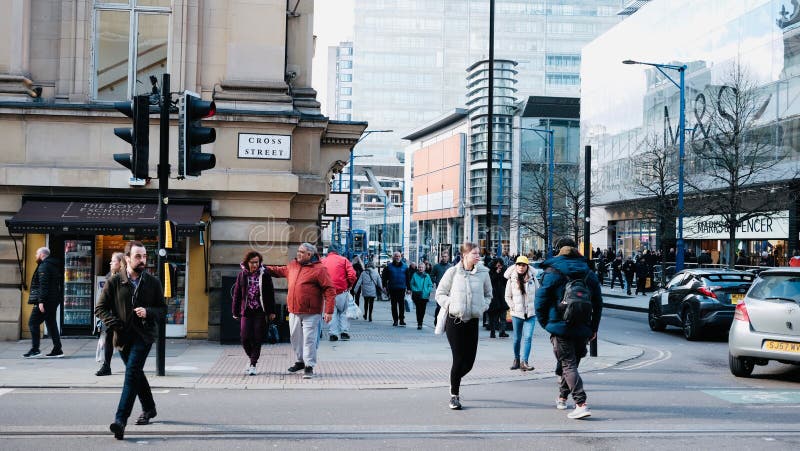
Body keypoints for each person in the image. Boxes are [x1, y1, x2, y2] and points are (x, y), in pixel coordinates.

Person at [95, 240, 166, 440]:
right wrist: (115, 323)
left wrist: (148, 312)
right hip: (123, 337)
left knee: (131, 373)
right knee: (136, 374)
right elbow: (99, 308)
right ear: (127, 259)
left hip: (144, 336)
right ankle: (150, 408)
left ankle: (120, 421)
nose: (143, 260)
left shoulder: (153, 282)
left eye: (144, 256)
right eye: (138, 256)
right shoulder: (115, 281)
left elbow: (162, 310)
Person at [535, 237, 603, 420]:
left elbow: (540, 299)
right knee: (571, 363)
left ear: (558, 250)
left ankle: (581, 404)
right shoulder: (588, 272)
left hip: (560, 325)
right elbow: (598, 302)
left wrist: (545, 323)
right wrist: (594, 327)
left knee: (568, 364)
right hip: (583, 325)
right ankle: (562, 397)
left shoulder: (552, 271)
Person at [435, 242, 491, 410]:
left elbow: (489, 294)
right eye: (474, 253)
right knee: (458, 359)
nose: (477, 256)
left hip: (472, 321)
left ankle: (454, 379)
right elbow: (440, 293)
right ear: (464, 255)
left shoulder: (483, 273)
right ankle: (454, 395)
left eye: (478, 253)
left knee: (469, 362)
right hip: (455, 321)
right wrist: (450, 304)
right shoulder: (452, 272)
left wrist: (483, 305)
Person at [265, 243, 335, 379]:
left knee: (309, 339)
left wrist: (329, 311)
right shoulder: (293, 265)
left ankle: (309, 366)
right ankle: (300, 361)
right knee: (295, 338)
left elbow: (329, 290)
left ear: (309, 254)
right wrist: (264, 269)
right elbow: (279, 270)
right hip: (294, 309)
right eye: (298, 251)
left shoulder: (320, 269)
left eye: (302, 252)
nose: (298, 254)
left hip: (312, 311)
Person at [232, 251, 276, 376]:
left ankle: (253, 364)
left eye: (257, 262)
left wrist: (272, 311)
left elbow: (270, 293)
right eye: (252, 262)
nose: (255, 265)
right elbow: (237, 294)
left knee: (257, 337)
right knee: (245, 337)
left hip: (260, 311)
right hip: (246, 311)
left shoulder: (265, 275)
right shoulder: (242, 275)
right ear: (247, 263)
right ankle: (252, 357)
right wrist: (235, 311)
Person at [24, 247, 63, 358]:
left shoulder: (44, 266)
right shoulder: (53, 265)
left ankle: (35, 349)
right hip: (53, 299)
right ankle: (57, 349)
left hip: (46, 301)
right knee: (51, 323)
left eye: (37, 254)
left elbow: (44, 285)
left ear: (42, 254)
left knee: (33, 322)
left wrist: (41, 301)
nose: (35, 256)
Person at [505, 255, 539, 371]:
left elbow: (538, 294)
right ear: (516, 266)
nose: (521, 267)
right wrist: (513, 306)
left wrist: (536, 306)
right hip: (517, 313)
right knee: (517, 339)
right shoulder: (511, 279)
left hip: (531, 313)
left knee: (528, 337)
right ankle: (516, 359)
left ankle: (525, 362)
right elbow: (507, 296)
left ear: (527, 266)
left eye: (523, 265)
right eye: (519, 264)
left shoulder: (533, 279)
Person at [96, 252, 126, 375]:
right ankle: (106, 365)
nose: (110, 263)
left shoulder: (124, 278)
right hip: (110, 315)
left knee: (123, 341)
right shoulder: (110, 276)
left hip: (121, 315)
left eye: (113, 261)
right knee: (108, 339)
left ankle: (130, 365)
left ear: (120, 263)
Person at [322, 245, 357, 341]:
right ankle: (344, 332)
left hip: (328, 292)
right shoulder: (344, 260)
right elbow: (352, 275)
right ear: (337, 251)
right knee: (343, 312)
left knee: (331, 313)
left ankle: (333, 333)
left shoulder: (322, 261)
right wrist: (350, 284)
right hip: (342, 291)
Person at [382, 251, 409, 326]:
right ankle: (395, 320)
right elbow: (384, 277)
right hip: (392, 288)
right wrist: (384, 286)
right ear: (393, 257)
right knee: (393, 305)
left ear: (401, 257)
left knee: (401, 305)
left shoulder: (405, 266)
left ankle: (402, 319)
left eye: (398, 256)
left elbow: (408, 278)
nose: (397, 257)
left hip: (402, 288)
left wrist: (409, 288)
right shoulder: (389, 266)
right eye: (396, 256)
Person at [487, 259, 509, 339]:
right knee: (493, 316)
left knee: (503, 315)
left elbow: (506, 282)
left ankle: (502, 331)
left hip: (502, 295)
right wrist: (496, 273)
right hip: (494, 296)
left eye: (500, 264)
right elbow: (490, 281)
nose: (499, 266)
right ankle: (492, 332)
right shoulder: (491, 272)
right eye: (497, 264)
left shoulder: (504, 272)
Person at [409, 260, 433, 329]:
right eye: (419, 267)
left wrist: (427, 291)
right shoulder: (415, 275)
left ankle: (421, 321)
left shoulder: (427, 276)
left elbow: (430, 285)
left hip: (425, 296)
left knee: (423, 310)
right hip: (417, 295)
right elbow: (412, 284)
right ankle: (419, 323)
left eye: (422, 267)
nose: (420, 268)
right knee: (418, 309)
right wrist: (415, 290)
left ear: (424, 268)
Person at [431, 255, 452, 326]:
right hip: (439, 289)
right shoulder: (436, 266)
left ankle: (445, 323)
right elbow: (432, 275)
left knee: (447, 307)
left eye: (445, 256)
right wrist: (436, 281)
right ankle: (437, 320)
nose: (444, 258)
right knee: (439, 306)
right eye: (442, 256)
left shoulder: (451, 267)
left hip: (449, 290)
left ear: (448, 257)